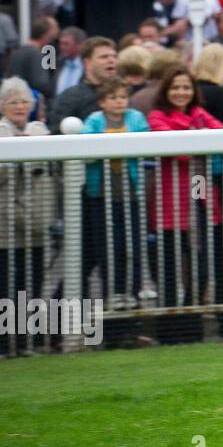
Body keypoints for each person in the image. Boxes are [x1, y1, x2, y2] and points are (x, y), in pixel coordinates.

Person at [146, 66, 223, 306]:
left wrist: (194, 135)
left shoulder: (200, 112)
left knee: (202, 264)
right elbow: (178, 151)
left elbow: (222, 134)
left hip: (200, 197)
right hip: (170, 202)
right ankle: (169, 321)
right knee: (169, 266)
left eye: (186, 87)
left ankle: (191, 316)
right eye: (176, 87)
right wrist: (197, 134)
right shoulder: (157, 116)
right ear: (166, 90)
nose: (181, 92)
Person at [81, 78, 150, 306]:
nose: (119, 101)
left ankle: (133, 291)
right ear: (102, 102)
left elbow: (145, 142)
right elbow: (85, 147)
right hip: (101, 194)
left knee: (133, 244)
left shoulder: (136, 118)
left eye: (122, 97)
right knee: (109, 246)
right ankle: (113, 292)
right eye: (113, 97)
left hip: (131, 192)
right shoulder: (93, 120)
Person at [0, 78, 54, 331]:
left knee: (32, 284)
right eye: (13, 102)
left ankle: (26, 339)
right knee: (6, 286)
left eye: (24, 101)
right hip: (5, 227)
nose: (20, 106)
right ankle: (5, 341)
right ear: (2, 106)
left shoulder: (40, 131)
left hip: (37, 222)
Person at [49, 36, 118, 131]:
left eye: (114, 56)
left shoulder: (123, 94)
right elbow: (56, 132)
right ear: (87, 63)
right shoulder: (70, 97)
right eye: (104, 57)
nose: (111, 61)